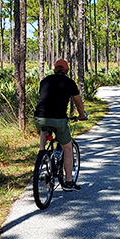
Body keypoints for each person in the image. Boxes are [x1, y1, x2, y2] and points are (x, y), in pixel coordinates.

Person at [33, 59, 87, 190]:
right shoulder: (69, 83)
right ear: (67, 71)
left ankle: (42, 155)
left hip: (39, 117)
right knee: (67, 148)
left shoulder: (44, 81)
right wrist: (82, 115)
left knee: (44, 130)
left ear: (54, 70)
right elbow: (79, 103)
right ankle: (69, 182)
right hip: (58, 120)